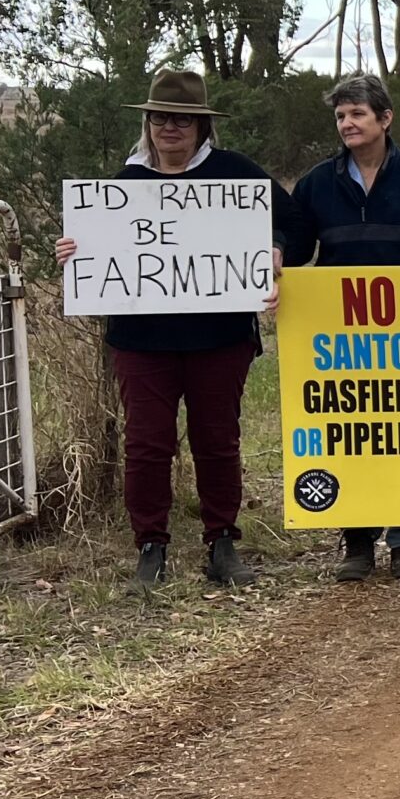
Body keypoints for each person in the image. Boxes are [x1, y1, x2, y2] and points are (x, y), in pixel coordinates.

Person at [54, 69, 309, 594]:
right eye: (160, 118)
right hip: (141, 342)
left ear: (202, 127)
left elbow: (298, 226)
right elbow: (101, 250)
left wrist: (278, 248)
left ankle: (222, 542)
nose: (171, 127)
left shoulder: (236, 173)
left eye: (184, 119)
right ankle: (151, 546)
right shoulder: (122, 187)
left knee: (218, 441)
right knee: (147, 445)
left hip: (219, 338)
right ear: (147, 124)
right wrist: (73, 253)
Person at [290, 73, 400, 584]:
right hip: (341, 343)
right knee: (350, 435)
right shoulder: (316, 183)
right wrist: (274, 258)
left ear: (385, 118)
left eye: (357, 114)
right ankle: (356, 541)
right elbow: (295, 248)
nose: (347, 123)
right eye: (340, 116)